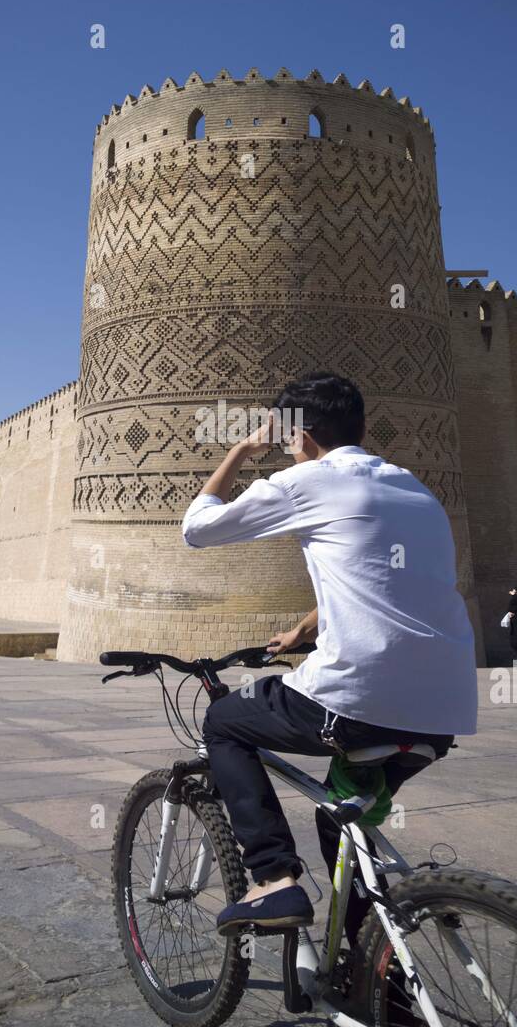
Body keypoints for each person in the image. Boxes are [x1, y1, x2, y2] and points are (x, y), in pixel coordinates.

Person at [181, 372, 478, 943]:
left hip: (359, 697)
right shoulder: (414, 489)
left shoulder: (304, 480)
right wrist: (308, 626)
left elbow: (198, 529)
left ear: (300, 432)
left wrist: (243, 449)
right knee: (340, 823)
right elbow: (388, 579)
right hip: (444, 709)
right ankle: (375, 981)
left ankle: (272, 877)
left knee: (224, 723)